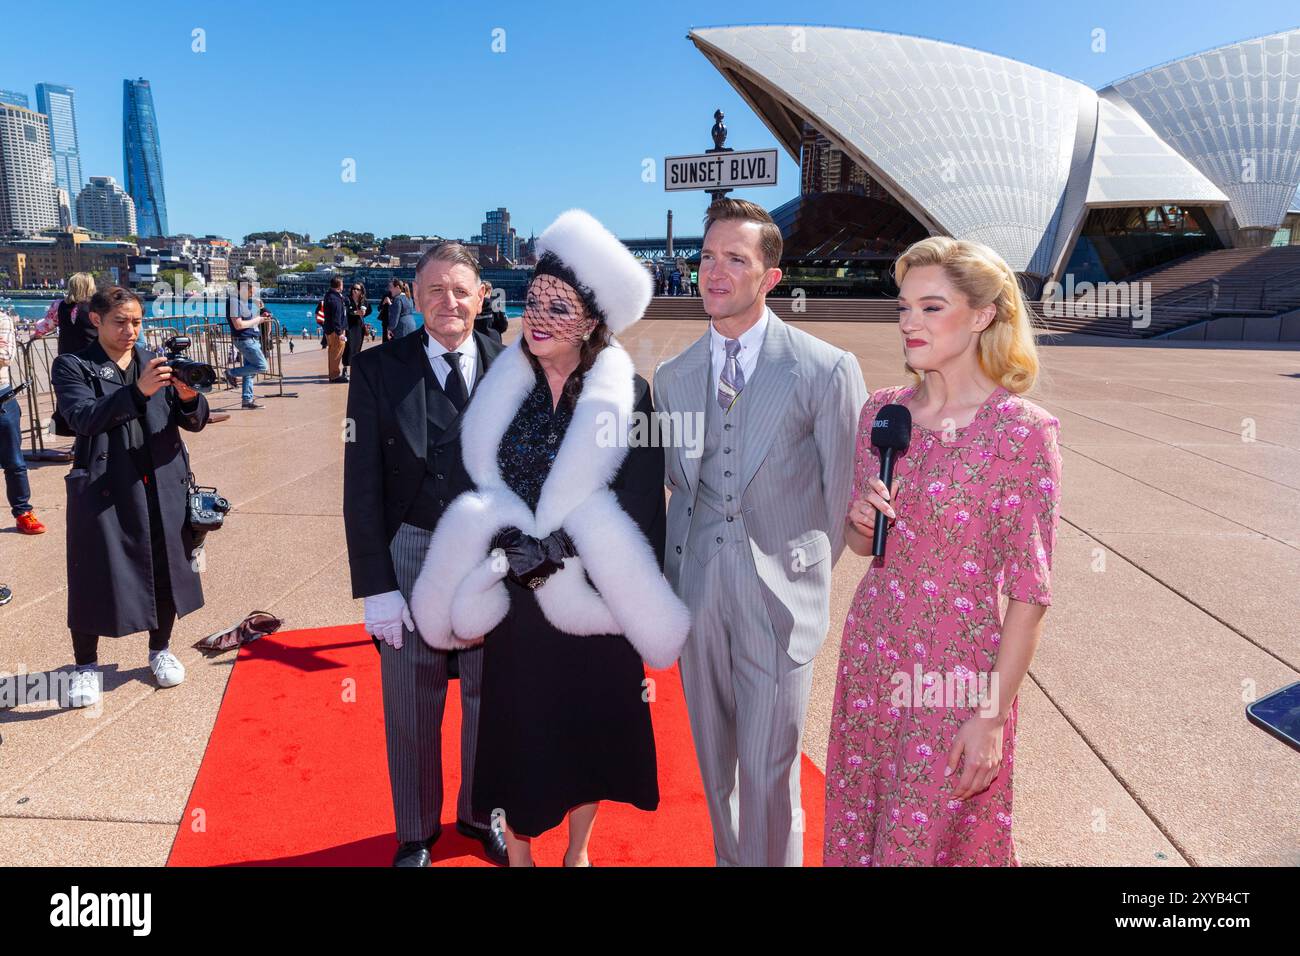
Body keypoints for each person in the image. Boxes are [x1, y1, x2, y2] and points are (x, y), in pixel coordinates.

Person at [411, 210, 688, 867]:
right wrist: (509, 548)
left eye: (557, 306)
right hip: (519, 598)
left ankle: (579, 850)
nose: (537, 316)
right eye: (532, 301)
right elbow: (470, 485)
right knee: (522, 730)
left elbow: (642, 500)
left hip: (593, 596)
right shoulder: (503, 389)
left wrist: (569, 555)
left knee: (589, 729)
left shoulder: (630, 395)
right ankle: (527, 852)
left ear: (591, 321)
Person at [823, 237, 1061, 867]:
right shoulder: (882, 413)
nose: (909, 322)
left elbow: (1031, 594)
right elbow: (860, 545)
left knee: (930, 838)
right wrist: (857, 520)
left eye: (931, 307)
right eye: (903, 307)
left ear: (982, 315)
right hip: (873, 651)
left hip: (955, 669)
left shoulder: (1022, 432)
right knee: (862, 821)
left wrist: (992, 717)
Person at [655, 198, 867, 866]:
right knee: (715, 773)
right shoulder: (671, 378)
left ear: (771, 276)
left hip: (779, 600)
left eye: (736, 259)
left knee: (772, 774)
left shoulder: (825, 369)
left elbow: (843, 497)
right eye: (708, 257)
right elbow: (676, 488)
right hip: (695, 599)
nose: (716, 272)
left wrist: (794, 572)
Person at [343, 242, 508, 867]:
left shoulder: (514, 366)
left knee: (489, 699)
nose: (449, 302)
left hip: (493, 558)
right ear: (414, 298)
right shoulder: (377, 370)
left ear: (481, 296)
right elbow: (360, 488)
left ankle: (479, 812)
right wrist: (376, 584)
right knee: (412, 701)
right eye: (435, 290)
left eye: (461, 289)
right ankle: (415, 831)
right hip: (412, 550)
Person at [51, 286, 211, 709]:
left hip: (161, 480)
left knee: (166, 568)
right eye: (120, 321)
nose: (130, 330)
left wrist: (192, 400)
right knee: (92, 575)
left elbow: (193, 420)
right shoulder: (74, 364)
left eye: (137, 321)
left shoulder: (154, 362)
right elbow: (81, 418)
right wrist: (137, 392)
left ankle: (160, 650)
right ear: (96, 320)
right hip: (106, 484)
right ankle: (85, 665)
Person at [0, 308, 45, 534]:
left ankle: (22, 512)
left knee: (14, 461)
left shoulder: (2, 320)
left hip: (2, 400)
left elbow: (4, 356)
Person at [224, 280, 272, 409]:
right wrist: (259, 319)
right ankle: (230, 373)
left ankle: (247, 400)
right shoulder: (234, 302)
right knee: (262, 366)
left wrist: (262, 311)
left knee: (249, 371)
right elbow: (238, 325)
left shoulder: (244, 301)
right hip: (245, 340)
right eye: (251, 292)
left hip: (251, 338)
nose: (253, 294)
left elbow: (253, 316)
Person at [322, 277, 349, 382]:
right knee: (336, 352)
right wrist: (339, 333)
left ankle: (333, 374)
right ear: (339, 286)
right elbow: (336, 318)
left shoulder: (331, 295)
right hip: (336, 331)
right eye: (342, 284)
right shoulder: (335, 299)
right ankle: (334, 376)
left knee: (333, 352)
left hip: (330, 329)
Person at [344, 282, 372, 371]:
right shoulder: (347, 299)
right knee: (348, 348)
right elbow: (346, 311)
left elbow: (369, 310)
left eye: (357, 289)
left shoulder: (363, 301)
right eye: (353, 289)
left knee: (357, 348)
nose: (355, 291)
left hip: (359, 327)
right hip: (349, 326)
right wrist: (356, 312)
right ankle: (345, 368)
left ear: (361, 291)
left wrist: (363, 314)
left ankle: (354, 368)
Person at [473, 279, 509, 344]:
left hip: (477, 340)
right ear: (489, 290)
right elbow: (503, 325)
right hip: (493, 340)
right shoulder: (495, 304)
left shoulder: (474, 304)